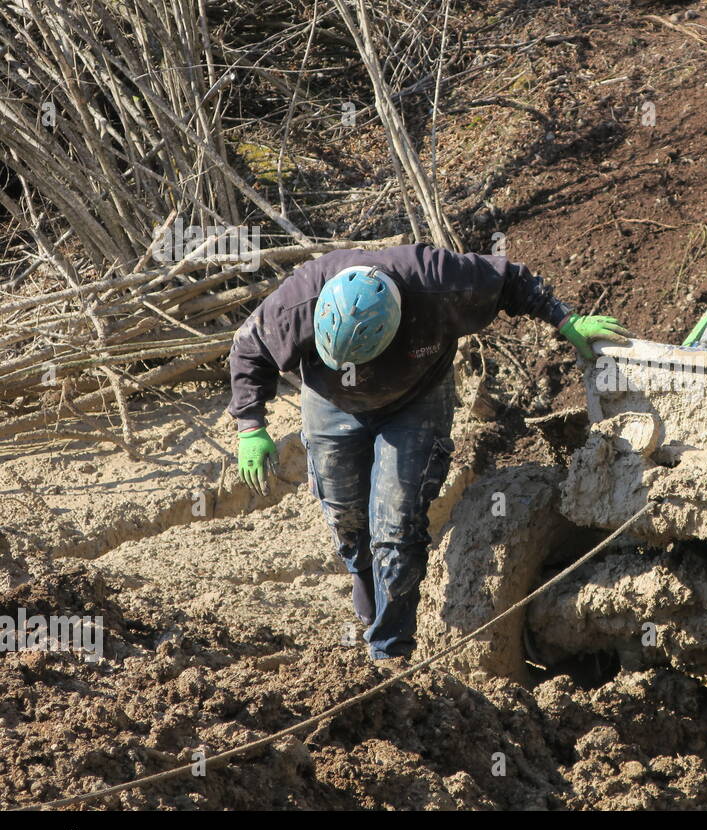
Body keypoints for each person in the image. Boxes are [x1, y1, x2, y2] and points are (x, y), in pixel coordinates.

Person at [226, 243, 628, 661]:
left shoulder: (439, 280)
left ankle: (389, 650)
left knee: (397, 525)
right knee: (345, 515)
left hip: (415, 400)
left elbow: (511, 279)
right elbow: (248, 347)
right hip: (332, 403)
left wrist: (566, 320)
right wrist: (250, 426)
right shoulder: (300, 300)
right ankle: (366, 586)